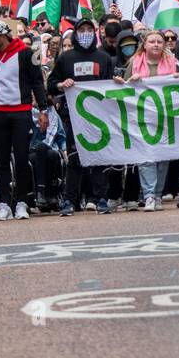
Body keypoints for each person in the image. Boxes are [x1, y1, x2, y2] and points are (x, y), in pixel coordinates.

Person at [47, 18, 123, 216]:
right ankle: (70, 201)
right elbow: (51, 83)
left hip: (98, 116)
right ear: (76, 33)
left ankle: (101, 199)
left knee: (99, 157)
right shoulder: (66, 58)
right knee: (74, 158)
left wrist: (115, 83)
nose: (86, 32)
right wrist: (61, 84)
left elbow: (108, 85)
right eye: (83, 30)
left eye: (90, 29)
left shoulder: (104, 58)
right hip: (73, 116)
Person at [0, 20, 49, 221]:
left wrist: (43, 110)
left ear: (4, 36)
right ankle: (5, 203)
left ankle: (22, 202)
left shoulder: (27, 53)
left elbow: (37, 83)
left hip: (21, 112)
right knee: (1, 161)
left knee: (23, 159)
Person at [128, 30, 179, 211]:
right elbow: (124, 89)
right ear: (144, 45)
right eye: (152, 41)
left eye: (159, 41)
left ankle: (158, 194)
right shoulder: (134, 63)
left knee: (162, 158)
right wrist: (131, 81)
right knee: (146, 157)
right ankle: (149, 194)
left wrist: (178, 78)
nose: (156, 44)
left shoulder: (174, 64)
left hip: (166, 119)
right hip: (142, 119)